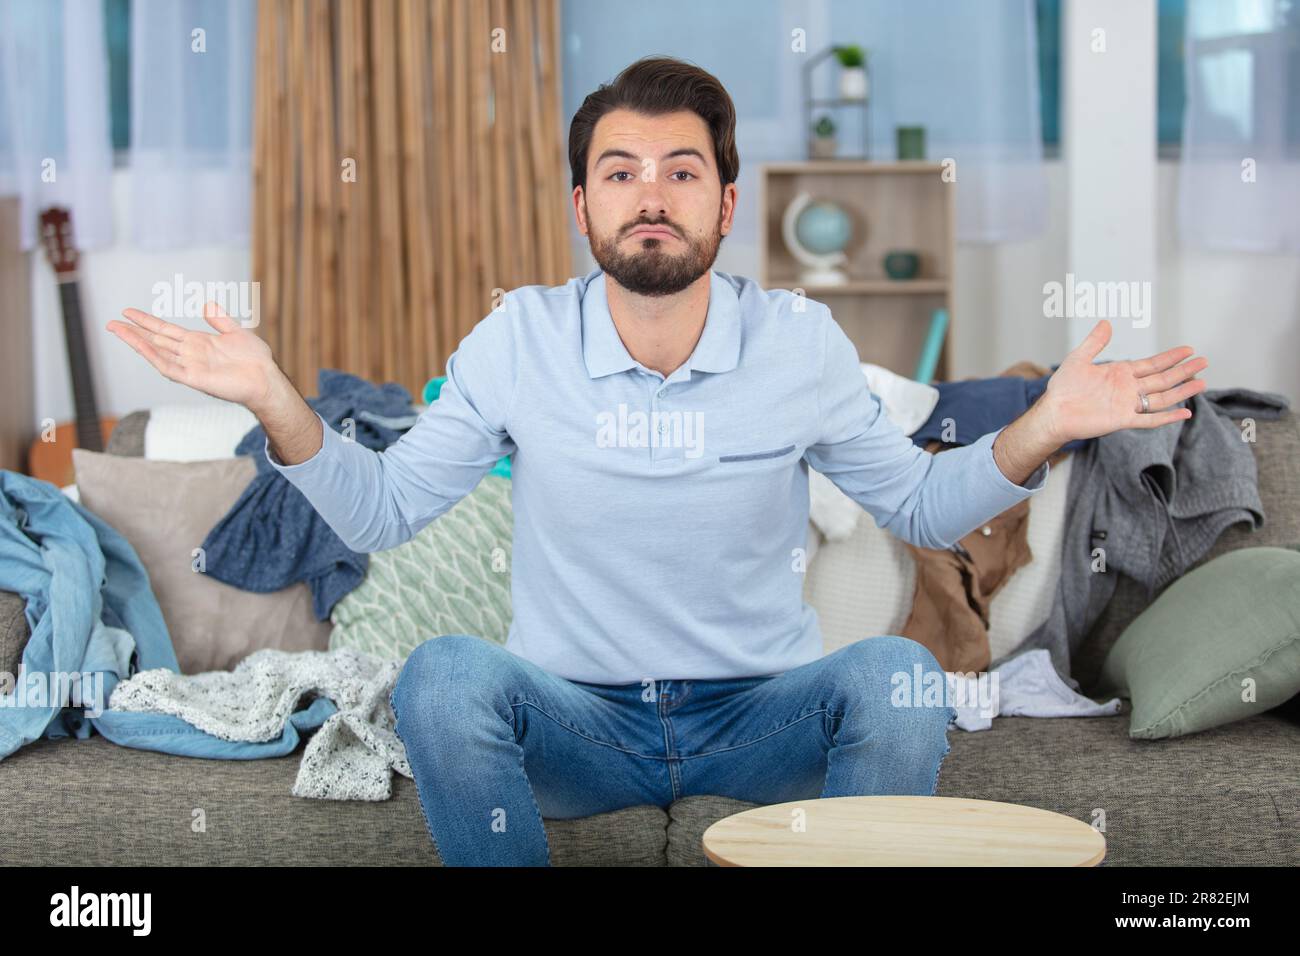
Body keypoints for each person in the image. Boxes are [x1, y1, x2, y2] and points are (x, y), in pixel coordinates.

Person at [107, 56, 1207, 867]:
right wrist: (271, 397)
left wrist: (1046, 424)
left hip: (757, 714)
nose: (650, 193)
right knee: (443, 673)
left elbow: (922, 503)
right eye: (619, 171)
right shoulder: (516, 340)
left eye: (681, 172)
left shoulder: (795, 342)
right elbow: (384, 511)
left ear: (726, 206)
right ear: (582, 204)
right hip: (574, 726)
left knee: (899, 676)